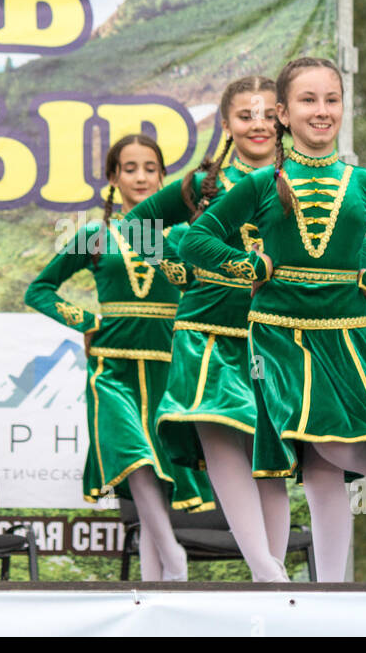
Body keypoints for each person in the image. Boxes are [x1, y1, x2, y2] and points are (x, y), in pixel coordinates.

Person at [180, 57, 366, 581]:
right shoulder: (259, 186)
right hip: (274, 336)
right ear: (282, 112)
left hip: (345, 336)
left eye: (331, 100)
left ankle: (332, 592)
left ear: (343, 108)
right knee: (313, 425)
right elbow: (194, 240)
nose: (322, 111)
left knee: (324, 474)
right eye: (308, 100)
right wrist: (247, 265)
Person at [119, 77, 292, 581]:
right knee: (218, 434)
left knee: (270, 454)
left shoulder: (300, 179)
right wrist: (176, 262)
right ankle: (263, 568)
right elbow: (136, 225)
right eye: (244, 116)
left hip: (274, 332)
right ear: (226, 124)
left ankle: (272, 576)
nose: (257, 125)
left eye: (265, 115)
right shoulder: (204, 184)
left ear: (281, 117)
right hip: (207, 330)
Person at [25, 134, 212, 581]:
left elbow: (203, 288)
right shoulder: (95, 235)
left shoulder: (185, 234)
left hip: (170, 367)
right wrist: (86, 321)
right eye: (130, 169)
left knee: (161, 472)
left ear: (164, 177)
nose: (141, 177)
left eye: (150, 168)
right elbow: (40, 290)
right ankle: (176, 557)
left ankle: (156, 588)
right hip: (112, 369)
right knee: (137, 460)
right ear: (113, 178)